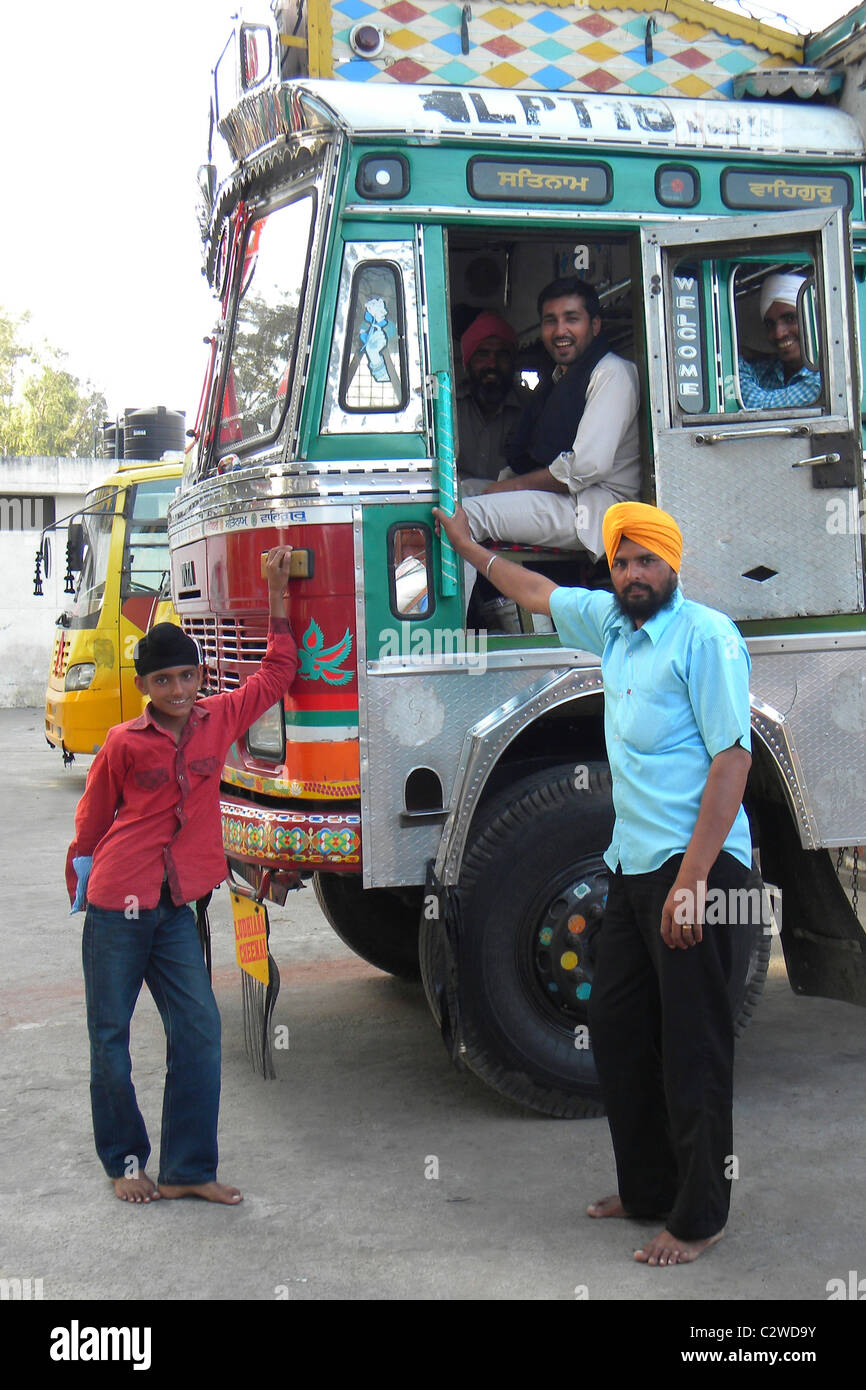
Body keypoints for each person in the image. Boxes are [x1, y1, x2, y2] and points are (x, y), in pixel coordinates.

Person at [433, 499, 758, 1266]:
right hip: (632, 868)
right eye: (621, 562)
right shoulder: (611, 623)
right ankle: (647, 1190)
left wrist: (693, 881)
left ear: (672, 564)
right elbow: (534, 590)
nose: (633, 574)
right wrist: (466, 545)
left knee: (693, 1048)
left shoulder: (705, 637)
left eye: (646, 560)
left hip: (698, 871)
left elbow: (733, 760)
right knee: (616, 1036)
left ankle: (700, 1216)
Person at [66, 547, 298, 1206]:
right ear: (145, 688)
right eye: (162, 681)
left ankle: (189, 1168)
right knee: (110, 1041)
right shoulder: (121, 743)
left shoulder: (217, 720)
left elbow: (277, 673)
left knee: (197, 1033)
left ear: (200, 678)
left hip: (173, 908)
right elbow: (92, 819)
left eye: (186, 678)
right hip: (118, 906)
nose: (177, 691)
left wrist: (278, 596)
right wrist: (78, 876)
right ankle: (126, 1162)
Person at [461, 277, 640, 562]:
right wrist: (499, 485)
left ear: (594, 325)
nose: (560, 331)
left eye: (572, 319)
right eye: (550, 321)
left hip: (595, 508)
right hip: (567, 499)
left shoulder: (613, 373)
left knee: (465, 515)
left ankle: (456, 608)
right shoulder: (561, 380)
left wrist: (508, 487)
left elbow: (585, 467)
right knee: (456, 494)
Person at [455, 311, 525, 498]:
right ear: (467, 362)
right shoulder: (448, 408)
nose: (492, 364)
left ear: (512, 362)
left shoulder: (531, 409)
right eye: (483, 355)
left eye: (501, 355)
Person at [738, 272, 821, 409]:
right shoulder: (766, 369)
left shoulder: (823, 379)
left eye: (790, 319)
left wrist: (733, 355)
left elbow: (759, 407)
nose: (778, 334)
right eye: (770, 324)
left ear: (813, 319)